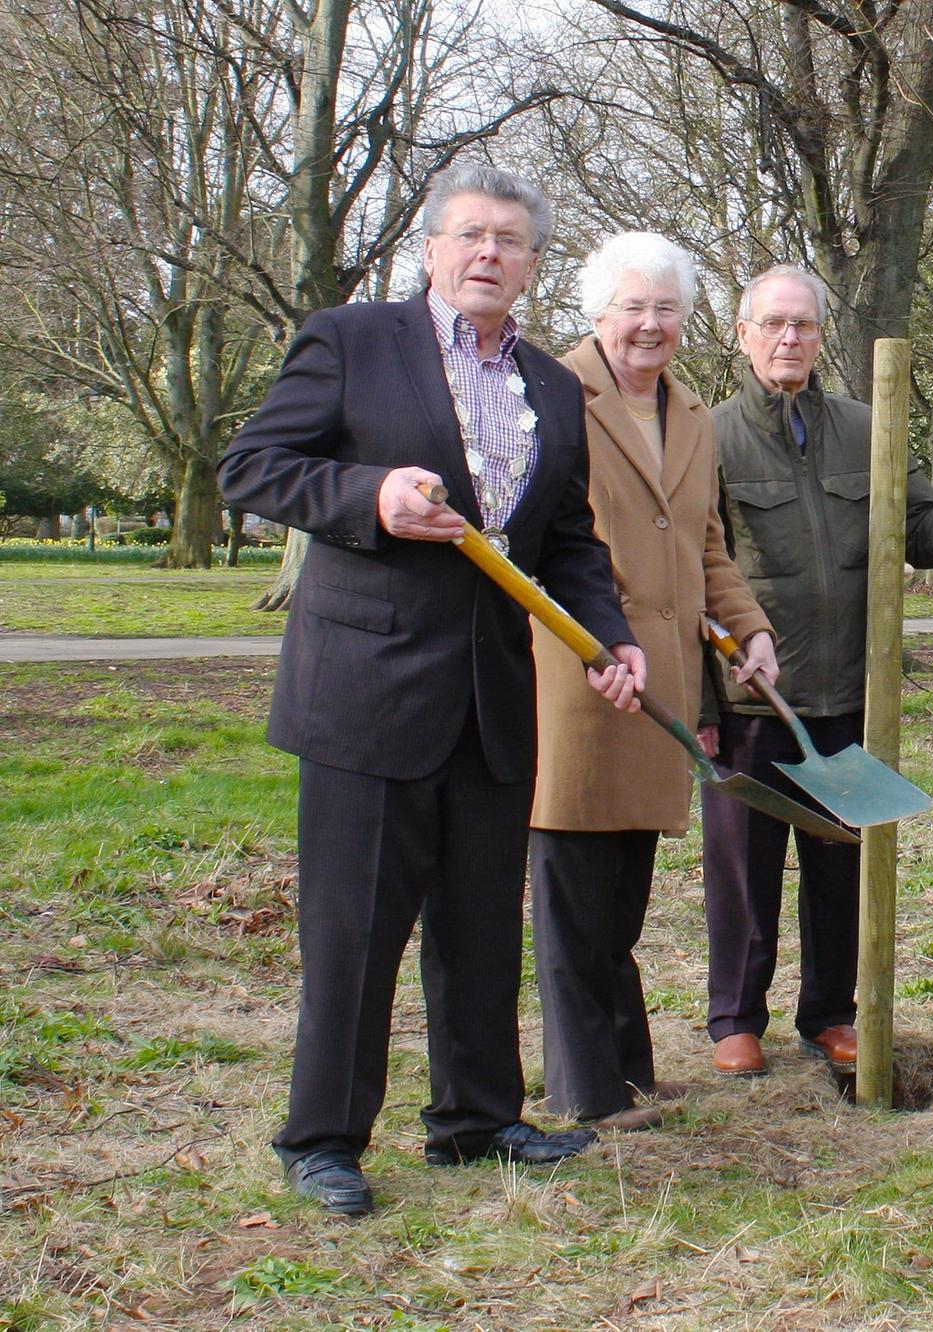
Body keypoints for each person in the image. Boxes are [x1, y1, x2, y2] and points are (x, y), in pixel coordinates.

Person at [217, 164, 645, 1216]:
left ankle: (474, 1119)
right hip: (367, 693)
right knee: (356, 932)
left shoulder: (553, 385)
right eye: (469, 235)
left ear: (535, 265)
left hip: (494, 696)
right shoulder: (351, 341)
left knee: (478, 924)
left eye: (510, 240)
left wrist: (608, 639)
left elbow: (569, 539)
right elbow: (254, 466)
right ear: (430, 249)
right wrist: (368, 494)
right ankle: (323, 1139)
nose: (488, 254)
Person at [703, 265, 933, 1077]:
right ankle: (736, 1018)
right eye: (773, 324)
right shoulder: (710, 438)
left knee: (841, 866)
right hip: (754, 698)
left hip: (851, 694)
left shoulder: (864, 427)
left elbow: (920, 528)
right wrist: (707, 691)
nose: (790, 340)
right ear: (743, 335)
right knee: (746, 872)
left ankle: (830, 1014)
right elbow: (695, 566)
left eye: (803, 326)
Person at [527, 233, 778, 1132]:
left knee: (625, 885)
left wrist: (746, 628)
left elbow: (706, 544)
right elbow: (531, 538)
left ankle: (626, 1072)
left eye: (667, 308)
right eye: (634, 307)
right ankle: (584, 1087)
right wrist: (591, 641)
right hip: (575, 673)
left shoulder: (693, 414)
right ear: (597, 314)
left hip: (661, 683)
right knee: (573, 887)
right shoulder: (547, 391)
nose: (651, 325)